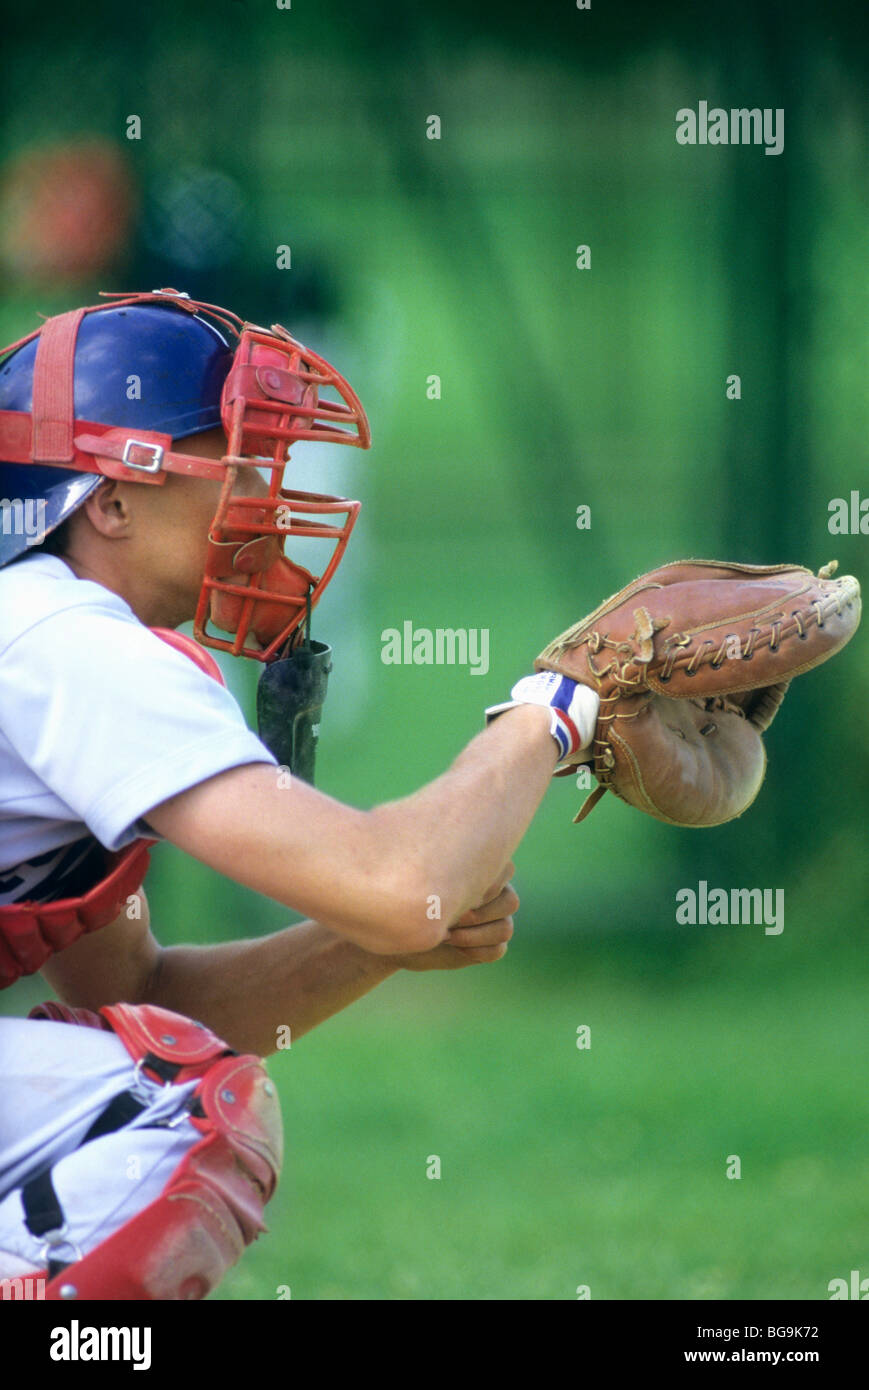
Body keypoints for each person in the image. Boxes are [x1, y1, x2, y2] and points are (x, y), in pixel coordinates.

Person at [0, 290, 597, 1299]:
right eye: (229, 458)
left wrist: (374, 939)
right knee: (172, 1108)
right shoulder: (61, 639)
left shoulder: (55, 630)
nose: (266, 494)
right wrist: (560, 705)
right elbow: (397, 878)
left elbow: (139, 998)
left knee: (154, 1073)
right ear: (109, 499)